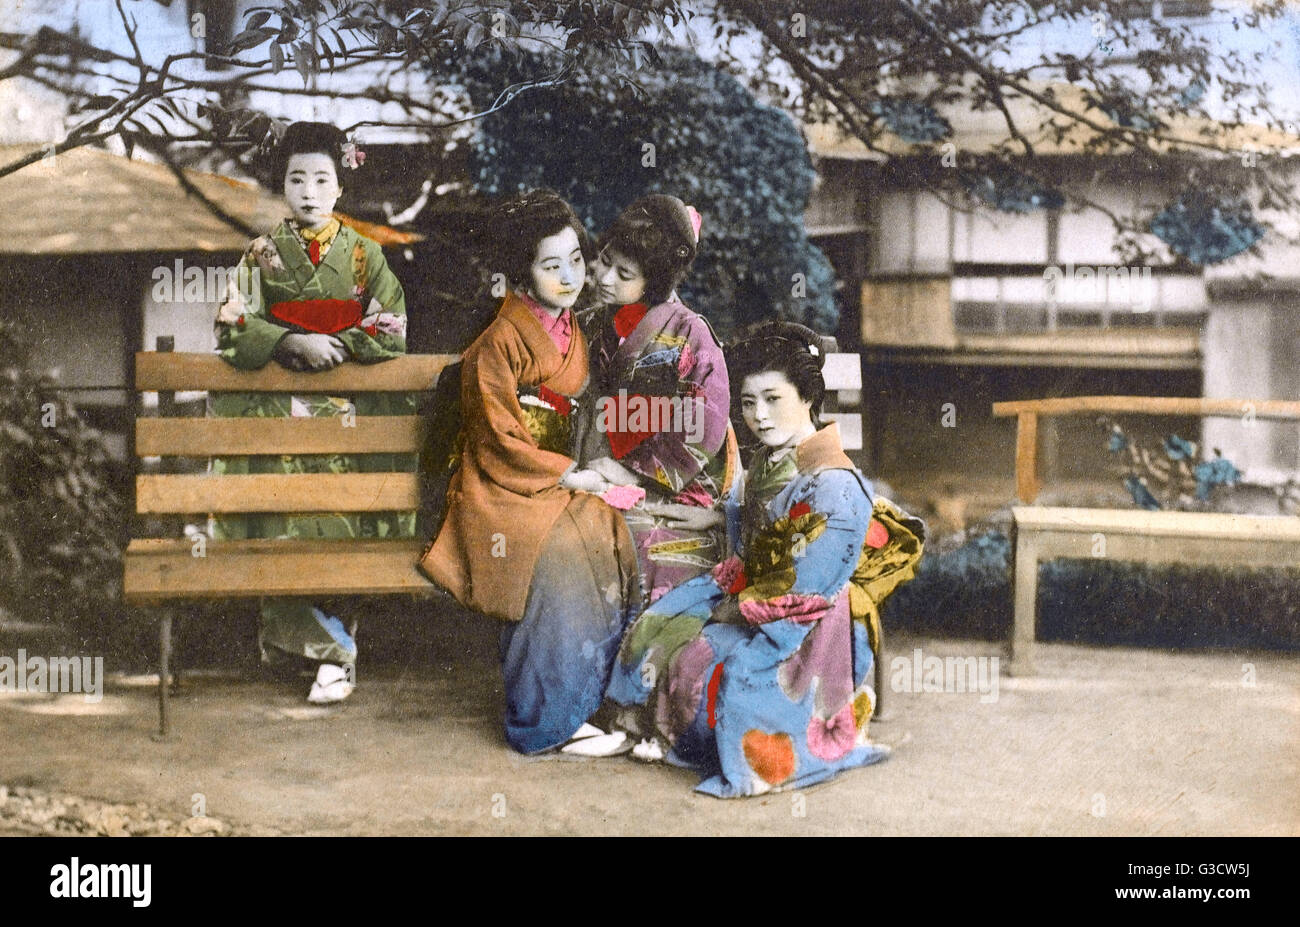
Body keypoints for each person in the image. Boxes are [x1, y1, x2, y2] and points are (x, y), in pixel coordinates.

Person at [605, 322, 925, 796]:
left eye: (774, 399)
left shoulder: (835, 484)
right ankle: (644, 723)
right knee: (659, 623)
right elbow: (749, 516)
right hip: (754, 583)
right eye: (749, 403)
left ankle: (699, 738)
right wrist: (712, 522)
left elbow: (806, 580)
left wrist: (732, 609)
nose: (759, 416)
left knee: (717, 666)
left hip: (805, 616)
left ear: (809, 399)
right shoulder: (777, 459)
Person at [418, 190, 641, 757]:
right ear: (521, 272)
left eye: (575, 259)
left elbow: (586, 414)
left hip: (556, 478)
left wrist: (590, 469)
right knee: (557, 551)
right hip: (499, 484)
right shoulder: (497, 341)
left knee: (603, 530)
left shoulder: (578, 333)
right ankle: (542, 721)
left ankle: (591, 703)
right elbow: (496, 436)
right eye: (550, 265)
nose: (568, 276)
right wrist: (569, 474)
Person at [210, 121, 412, 704]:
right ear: (283, 185)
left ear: (340, 187)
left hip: (347, 415)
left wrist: (343, 345)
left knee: (338, 520)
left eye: (322, 177)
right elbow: (230, 323)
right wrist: (289, 342)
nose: (309, 189)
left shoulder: (366, 254)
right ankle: (333, 652)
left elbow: (392, 322)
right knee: (282, 521)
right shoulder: (262, 253)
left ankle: (329, 640)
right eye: (297, 177)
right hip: (280, 412)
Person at [574, 194, 738, 606]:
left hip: (675, 489)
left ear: (656, 282)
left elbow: (704, 421)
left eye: (623, 272)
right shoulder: (590, 324)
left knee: (636, 541)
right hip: (596, 469)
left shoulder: (690, 334)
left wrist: (633, 474)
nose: (605, 278)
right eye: (605, 261)